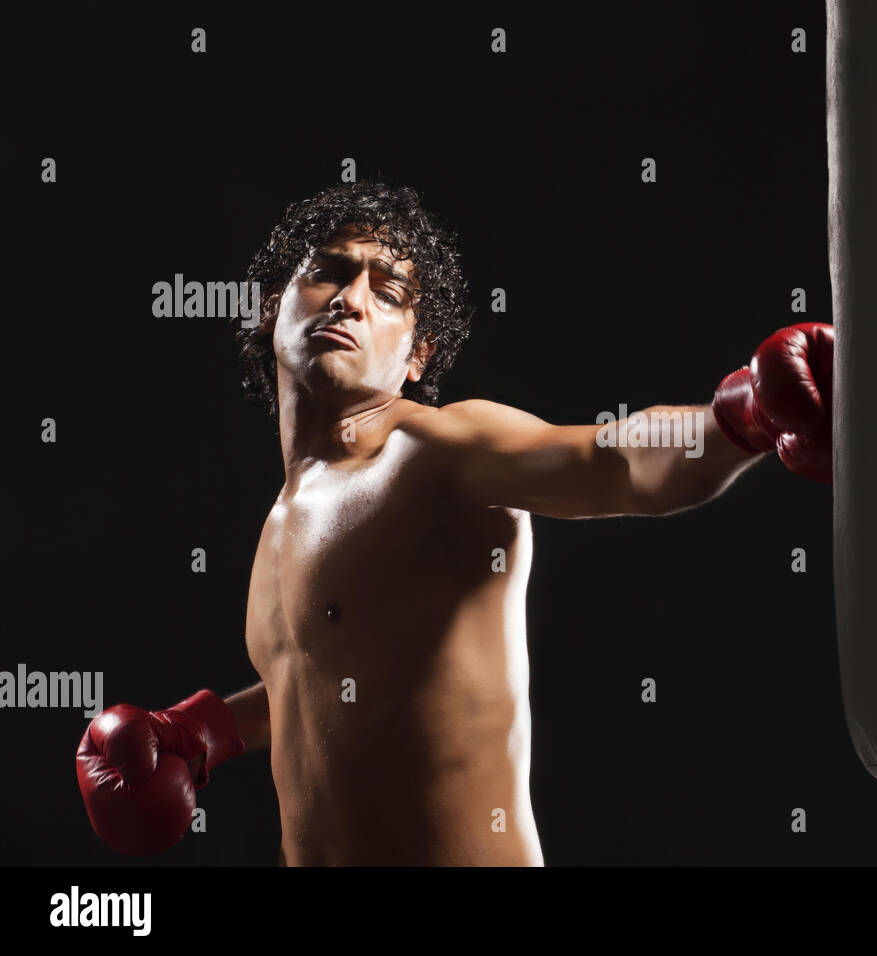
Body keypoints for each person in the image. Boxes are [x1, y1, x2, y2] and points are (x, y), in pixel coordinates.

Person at [76, 182, 833, 865]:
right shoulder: (282, 521)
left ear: (416, 356)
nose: (352, 299)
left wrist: (745, 416)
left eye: (389, 292)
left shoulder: (435, 447)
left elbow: (614, 462)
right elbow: (334, 675)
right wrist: (200, 732)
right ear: (275, 305)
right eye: (330, 272)